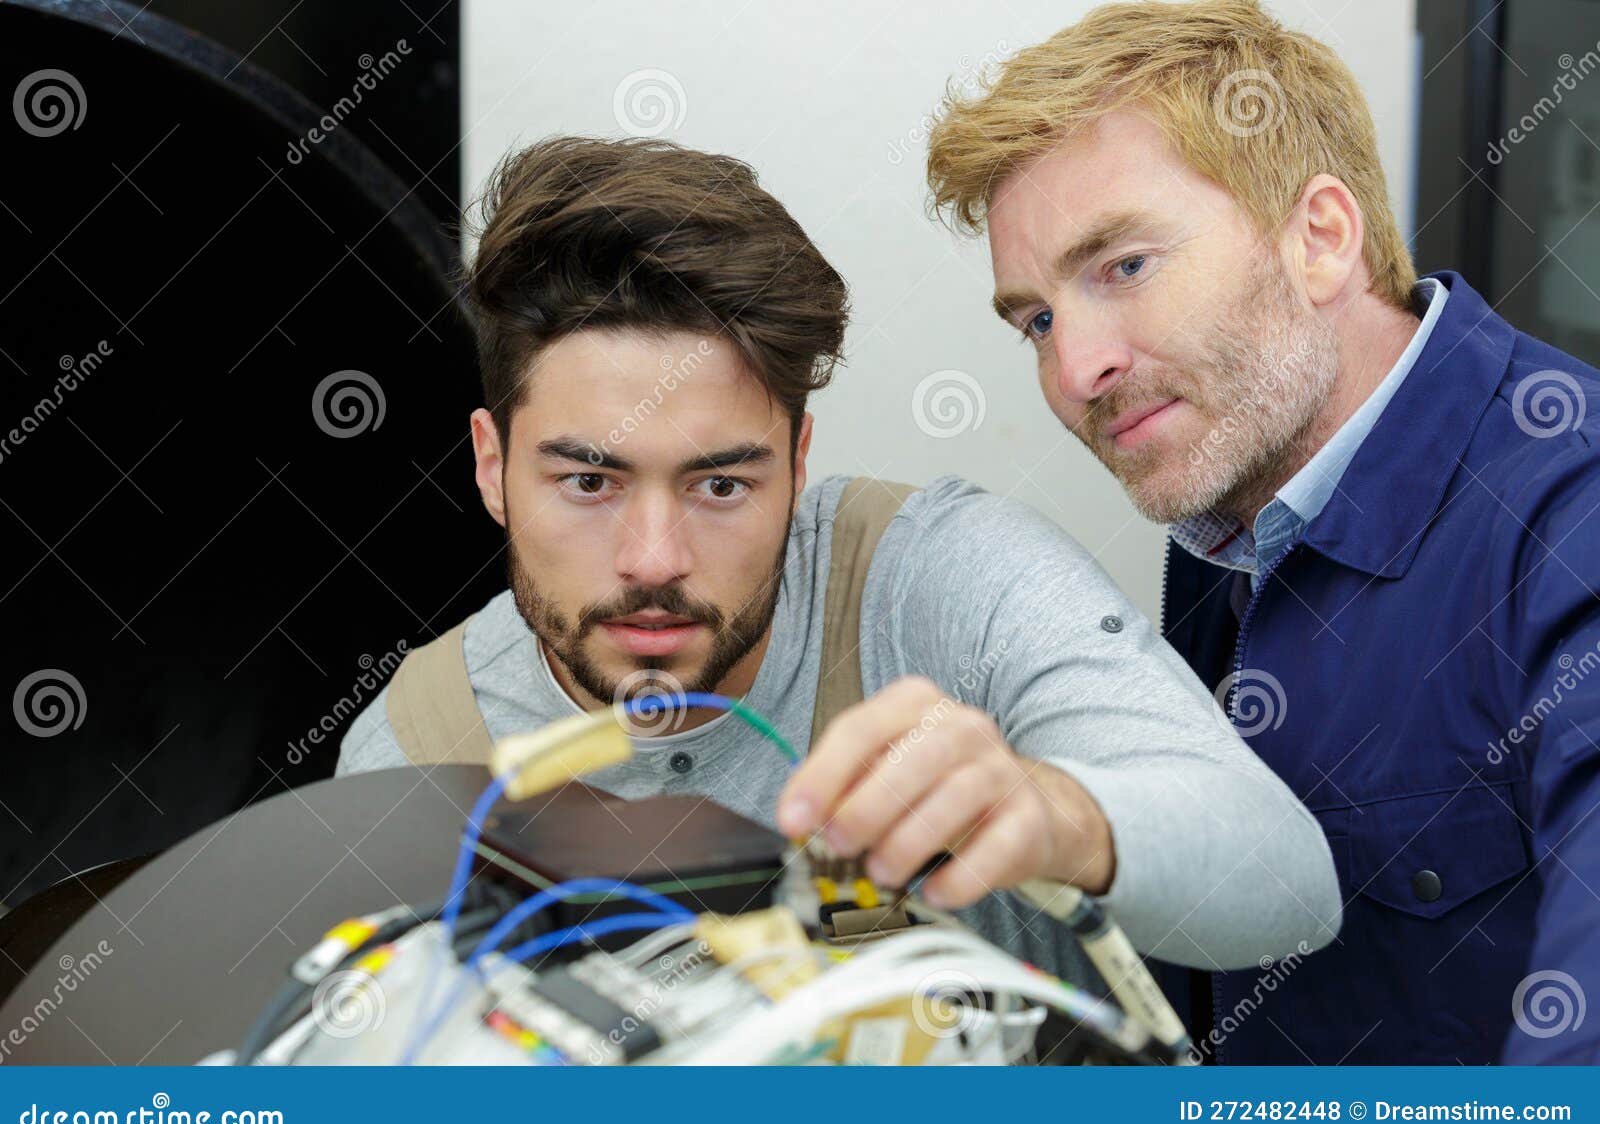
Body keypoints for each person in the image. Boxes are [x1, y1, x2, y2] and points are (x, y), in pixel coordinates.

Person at [336, 134, 1340, 991]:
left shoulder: (938, 583)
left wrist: (1056, 813)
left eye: (720, 485)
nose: (654, 561)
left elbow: (1289, 888)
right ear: (493, 466)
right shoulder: (414, 748)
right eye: (589, 483)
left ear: (798, 463)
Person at [926, 0, 1600, 1063]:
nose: (1073, 371)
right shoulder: (1228, 507)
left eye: (1124, 267)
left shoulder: (1571, 518)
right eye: (1038, 318)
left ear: (1318, 238)